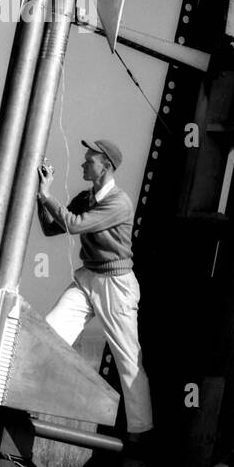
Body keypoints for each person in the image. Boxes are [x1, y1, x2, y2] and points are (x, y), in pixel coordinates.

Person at [36, 138, 154, 447]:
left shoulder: (119, 203)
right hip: (88, 278)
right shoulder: (85, 197)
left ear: (106, 166)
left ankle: (141, 432)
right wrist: (40, 197)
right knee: (50, 335)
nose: (83, 164)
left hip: (116, 285)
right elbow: (52, 229)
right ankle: (30, 404)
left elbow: (75, 225)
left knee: (128, 360)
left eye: (89, 161)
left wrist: (47, 196)